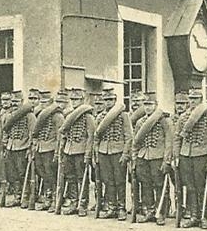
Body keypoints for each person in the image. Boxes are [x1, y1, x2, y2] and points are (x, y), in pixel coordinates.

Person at [174, 87, 207, 228]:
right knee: (190, 186)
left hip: (202, 155)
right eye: (191, 99)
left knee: (202, 186)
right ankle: (193, 215)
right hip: (186, 155)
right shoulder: (183, 117)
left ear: (201, 100)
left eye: (196, 99)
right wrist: (176, 156)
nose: (193, 102)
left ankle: (203, 216)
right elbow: (177, 138)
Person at [132, 92, 174, 223]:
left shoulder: (165, 121)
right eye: (146, 105)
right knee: (146, 184)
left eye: (150, 105)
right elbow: (136, 141)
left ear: (156, 105)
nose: (148, 108)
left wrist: (167, 160)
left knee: (159, 185)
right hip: (143, 156)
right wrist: (134, 157)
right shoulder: (140, 122)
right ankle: (148, 211)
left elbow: (169, 141)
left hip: (158, 156)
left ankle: (161, 211)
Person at [94, 89, 133, 220]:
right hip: (103, 152)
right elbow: (96, 138)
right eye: (105, 100)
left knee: (120, 180)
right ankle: (111, 206)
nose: (108, 103)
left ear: (115, 101)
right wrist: (96, 154)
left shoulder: (123, 116)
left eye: (110, 100)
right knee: (108, 180)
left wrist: (125, 154)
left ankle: (121, 207)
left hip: (118, 152)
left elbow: (129, 137)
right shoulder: (100, 117)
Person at [58, 88, 96, 216]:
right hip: (69, 150)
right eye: (72, 99)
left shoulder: (88, 116)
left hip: (81, 151)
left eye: (77, 99)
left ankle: (83, 205)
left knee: (82, 179)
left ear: (82, 100)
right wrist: (62, 151)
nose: (74, 102)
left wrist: (88, 153)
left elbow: (91, 136)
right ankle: (73, 202)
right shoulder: (68, 115)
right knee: (70, 178)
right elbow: (64, 135)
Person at [32, 90, 65, 211]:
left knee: (52, 175)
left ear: (50, 103)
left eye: (45, 102)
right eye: (41, 102)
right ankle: (48, 198)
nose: (42, 104)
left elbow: (60, 136)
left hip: (50, 148)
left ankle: (55, 200)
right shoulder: (39, 115)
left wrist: (57, 152)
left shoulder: (58, 116)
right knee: (43, 174)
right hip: (40, 148)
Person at [3, 89, 36, 208]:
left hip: (23, 147)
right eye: (12, 101)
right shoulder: (9, 115)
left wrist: (30, 148)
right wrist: (5, 145)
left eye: (17, 101)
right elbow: (6, 131)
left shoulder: (29, 115)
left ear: (22, 101)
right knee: (13, 174)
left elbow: (33, 133)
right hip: (11, 147)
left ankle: (25, 197)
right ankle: (17, 196)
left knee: (23, 174)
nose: (14, 104)